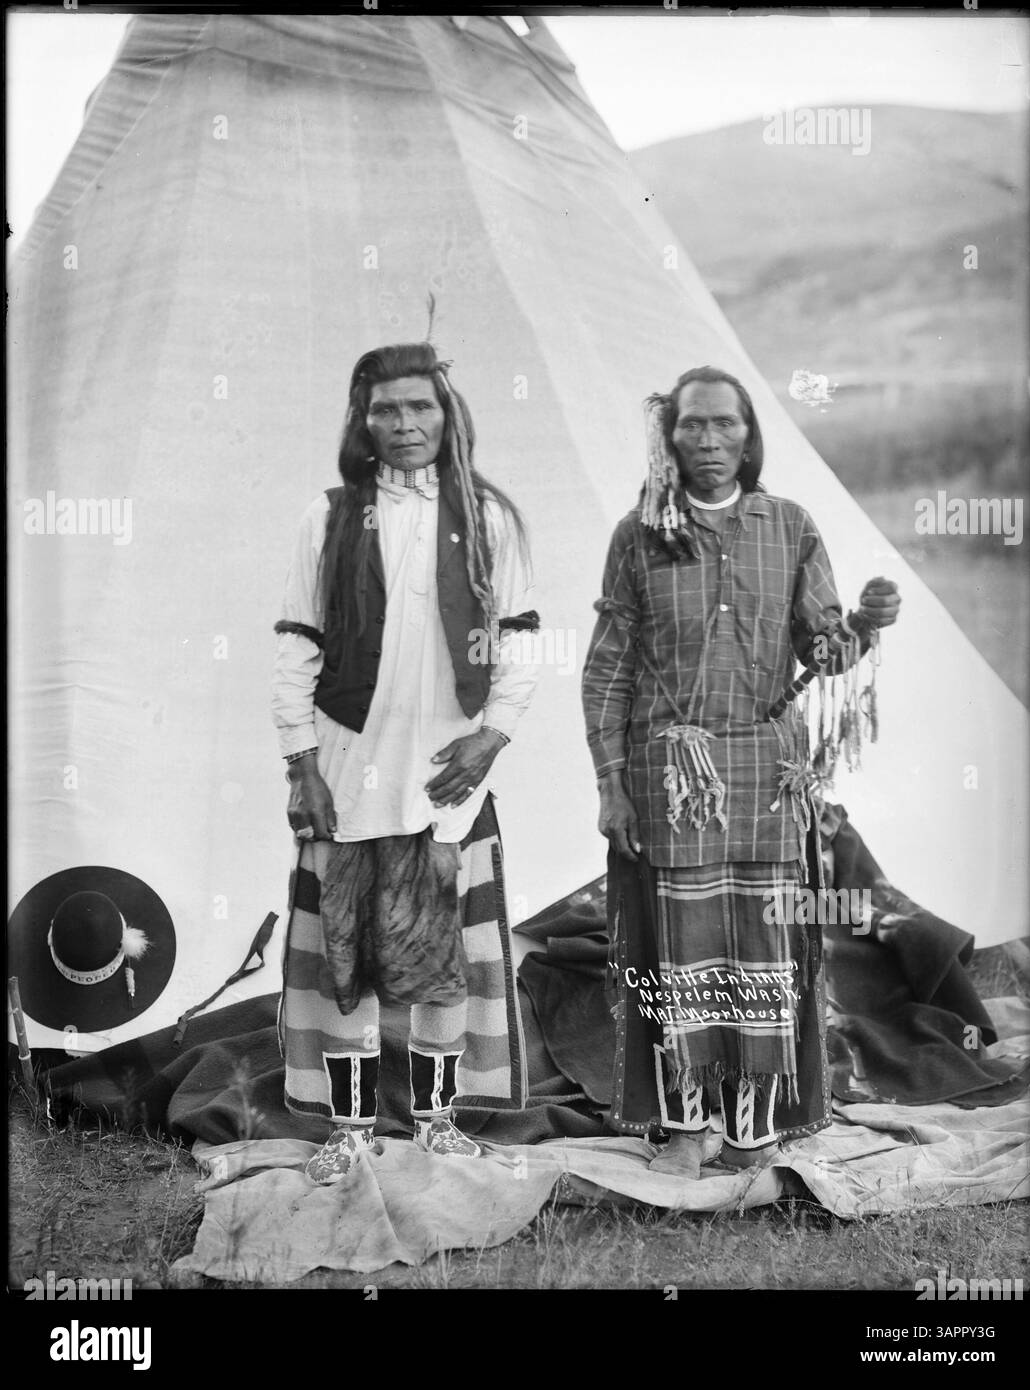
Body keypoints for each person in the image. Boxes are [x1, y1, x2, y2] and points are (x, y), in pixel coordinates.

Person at [582, 365, 900, 1178]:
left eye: (727, 425)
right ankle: (689, 1127)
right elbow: (608, 669)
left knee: (759, 950)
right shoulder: (638, 535)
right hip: (674, 777)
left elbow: (819, 649)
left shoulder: (788, 526)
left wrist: (860, 628)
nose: (711, 441)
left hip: (765, 770)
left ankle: (752, 1129)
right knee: (681, 953)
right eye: (693, 425)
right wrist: (610, 782)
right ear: (669, 436)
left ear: (749, 436)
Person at [272, 342, 538, 1183]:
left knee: (440, 962)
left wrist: (490, 736)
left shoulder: (487, 518)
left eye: (419, 406)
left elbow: (523, 638)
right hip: (349, 774)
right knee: (345, 963)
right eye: (386, 409)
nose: (404, 424)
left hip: (444, 783)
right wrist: (301, 764)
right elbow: (295, 645)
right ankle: (349, 1131)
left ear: (446, 413)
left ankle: (436, 1125)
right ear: (363, 420)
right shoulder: (330, 518)